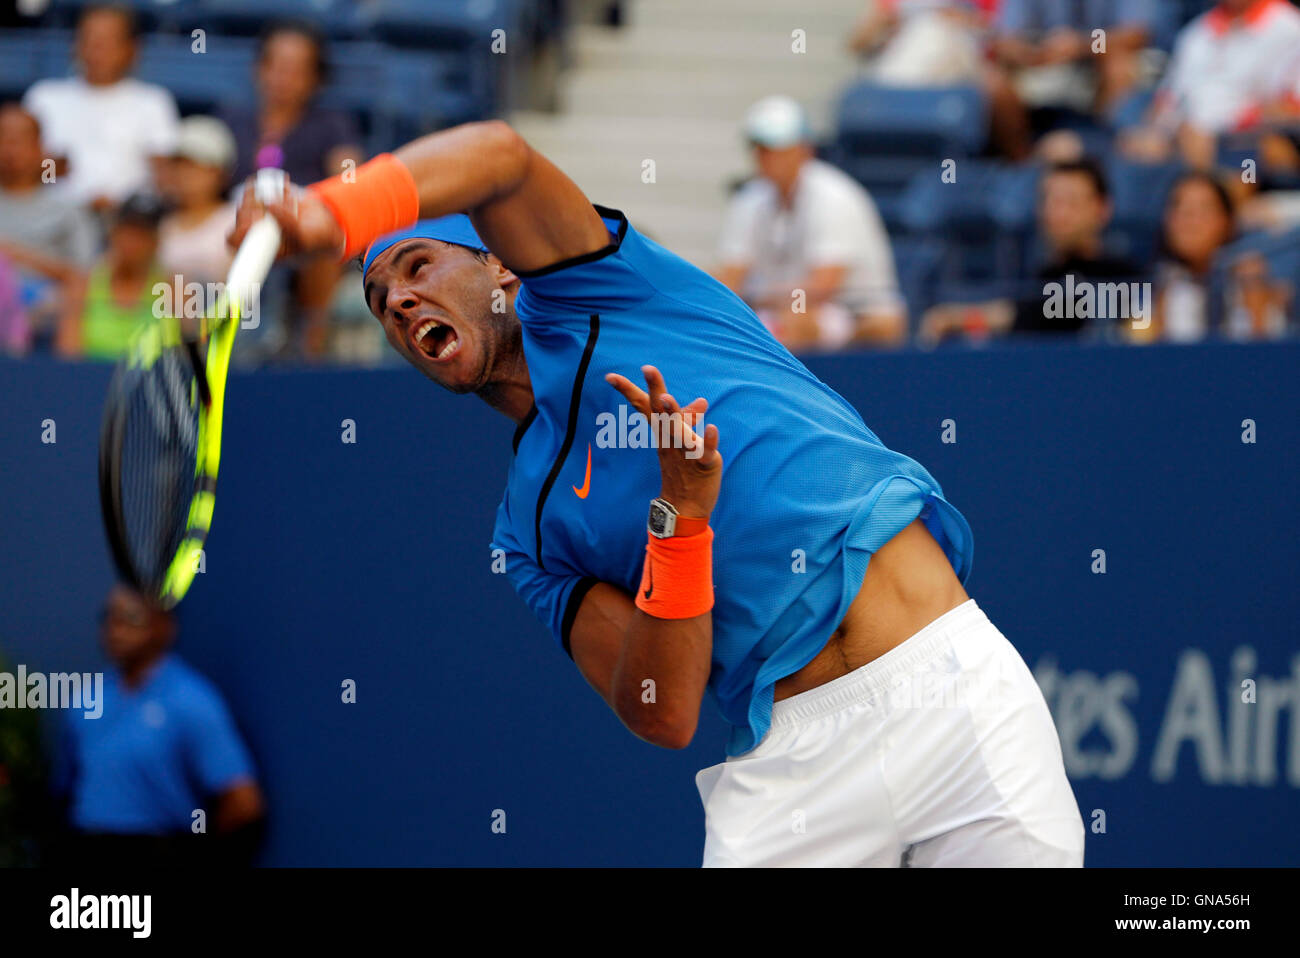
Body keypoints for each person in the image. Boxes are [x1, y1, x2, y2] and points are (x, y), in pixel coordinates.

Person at [230, 119, 1084, 867]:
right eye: (381, 303)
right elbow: (661, 711)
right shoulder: (527, 532)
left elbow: (498, 153)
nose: (401, 299)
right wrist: (679, 519)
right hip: (794, 776)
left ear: (500, 266)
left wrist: (329, 212)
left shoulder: (606, 286)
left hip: (951, 690)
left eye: (418, 265)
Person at [54, 585, 264, 867]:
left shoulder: (193, 701)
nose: (115, 630)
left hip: (156, 851)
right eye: (109, 618)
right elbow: (65, 786)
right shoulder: (86, 698)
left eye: (130, 618)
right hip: (87, 853)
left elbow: (243, 803)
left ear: (164, 627)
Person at [217, 20, 363, 360]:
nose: (285, 78)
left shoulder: (333, 124)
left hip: (303, 226)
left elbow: (350, 177)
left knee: (324, 243)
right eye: (277, 66)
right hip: (237, 226)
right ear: (260, 69)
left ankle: (309, 351)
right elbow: (204, 181)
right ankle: (222, 346)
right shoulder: (231, 118)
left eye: (298, 69)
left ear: (315, 78)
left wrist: (312, 204)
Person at [713, 96, 907, 352]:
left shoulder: (834, 195)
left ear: (804, 149)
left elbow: (823, 287)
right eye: (759, 147)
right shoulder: (751, 198)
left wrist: (754, 299)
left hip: (858, 311)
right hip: (787, 310)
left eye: (775, 147)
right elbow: (730, 277)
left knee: (792, 325)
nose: (765, 157)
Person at [921, 158, 1144, 341]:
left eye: (1071, 202)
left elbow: (1051, 309)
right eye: (1050, 201)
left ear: (1102, 208)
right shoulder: (1032, 273)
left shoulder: (1127, 278)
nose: (1058, 214)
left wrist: (962, 318)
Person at [22, 3, 179, 212]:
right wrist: (46, 170)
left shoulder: (153, 102)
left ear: (131, 48)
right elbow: (21, 169)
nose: (96, 49)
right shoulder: (43, 97)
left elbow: (166, 177)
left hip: (128, 223)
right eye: (88, 39)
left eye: (107, 41)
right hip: (51, 219)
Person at [1120, 0, 1300, 170]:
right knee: (1130, 148)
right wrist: (1156, 133)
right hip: (1184, 138)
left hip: (1246, 144)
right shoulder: (1196, 33)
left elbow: (1291, 109)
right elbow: (1168, 100)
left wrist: (1229, 127)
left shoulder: (1290, 27)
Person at [0, 103, 98, 353]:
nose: (10, 149)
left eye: (19, 140)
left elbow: (83, 276)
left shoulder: (69, 210)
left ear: (40, 148)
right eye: (3, 138)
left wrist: (14, 255)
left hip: (45, 312)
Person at [1129, 171, 1236, 343]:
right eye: (1179, 208)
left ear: (1227, 220)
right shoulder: (1147, 289)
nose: (1189, 220)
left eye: (1203, 209)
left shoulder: (1252, 282)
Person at [58, 193, 165, 360]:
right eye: (128, 231)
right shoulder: (82, 286)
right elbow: (68, 357)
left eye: (142, 234)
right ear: (113, 233)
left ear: (156, 241)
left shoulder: (176, 291)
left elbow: (186, 361)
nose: (133, 243)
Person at [158, 116, 239, 290]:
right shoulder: (162, 223)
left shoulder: (235, 220)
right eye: (179, 165)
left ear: (219, 173)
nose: (184, 175)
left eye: (195, 167)